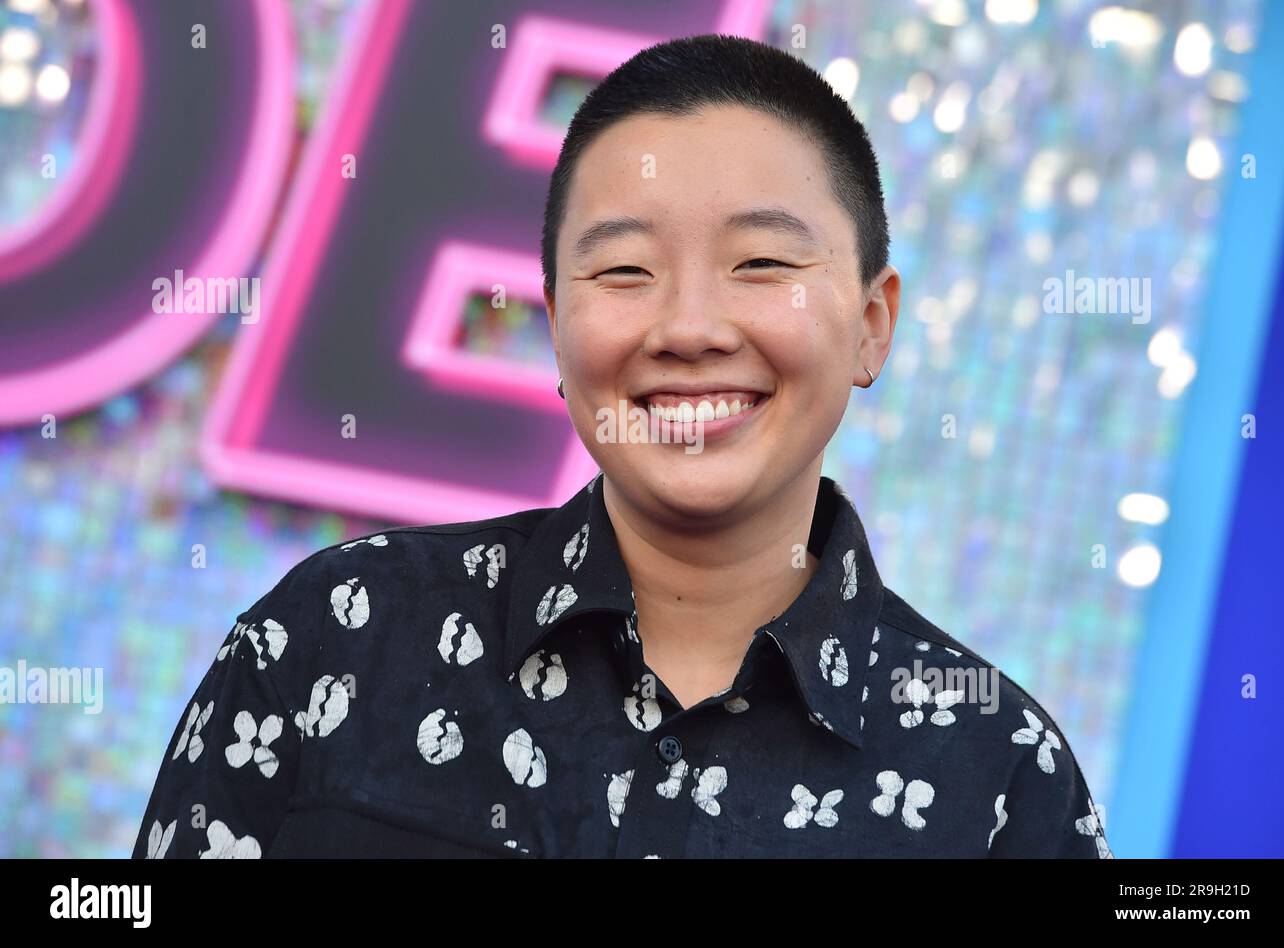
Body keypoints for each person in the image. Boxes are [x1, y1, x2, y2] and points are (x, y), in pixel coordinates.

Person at [132, 33, 1111, 858]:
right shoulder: (334, 642)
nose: (688, 328)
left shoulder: (997, 772)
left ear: (870, 322)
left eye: (761, 263)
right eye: (626, 268)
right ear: (557, 324)